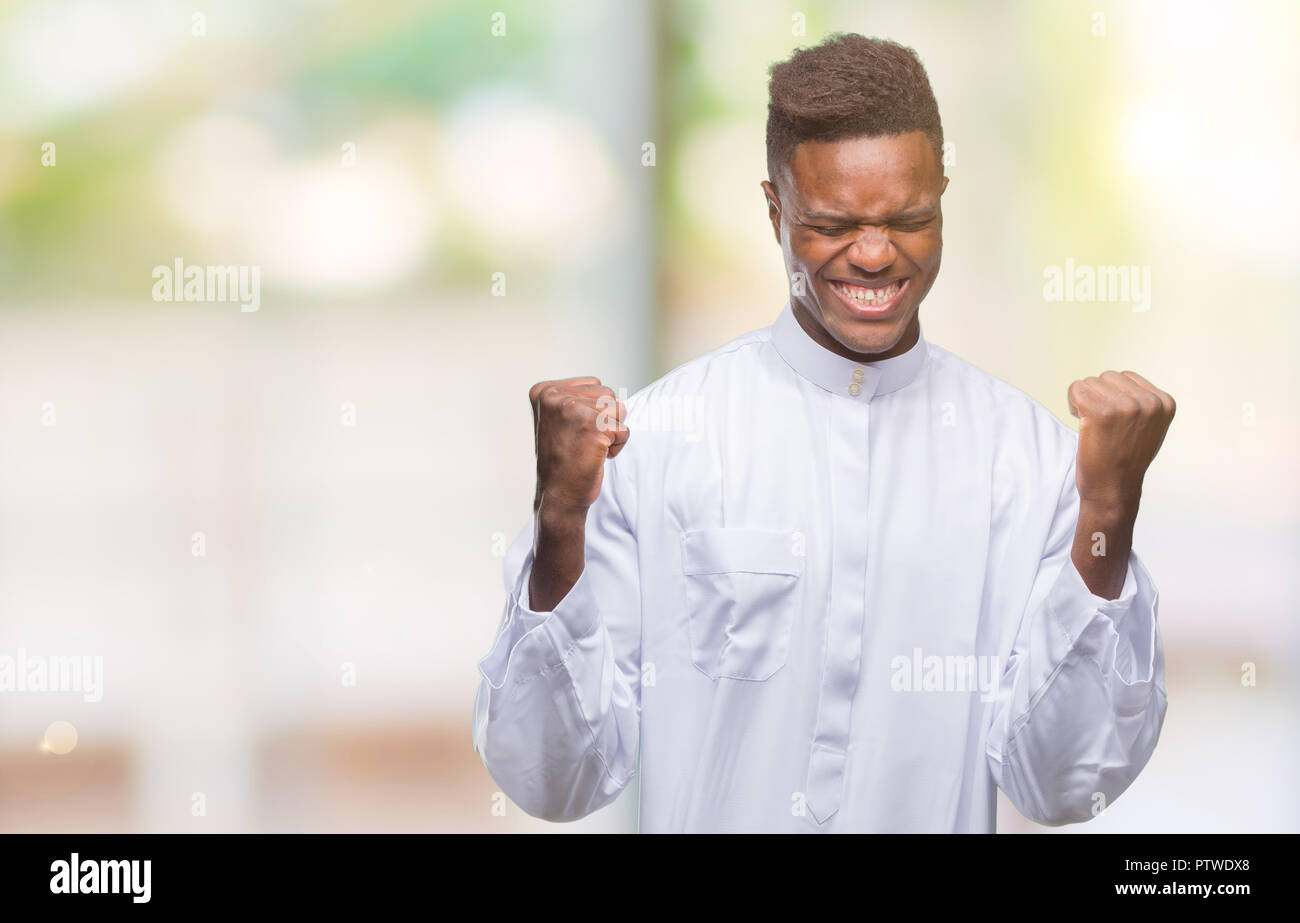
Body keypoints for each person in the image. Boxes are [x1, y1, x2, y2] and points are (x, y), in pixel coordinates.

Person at [471, 33, 1175, 832]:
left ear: (943, 195)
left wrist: (1110, 514)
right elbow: (555, 781)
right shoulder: (658, 439)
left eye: (910, 219)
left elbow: (1062, 785)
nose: (875, 255)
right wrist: (559, 518)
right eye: (834, 224)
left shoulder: (1029, 457)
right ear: (775, 210)